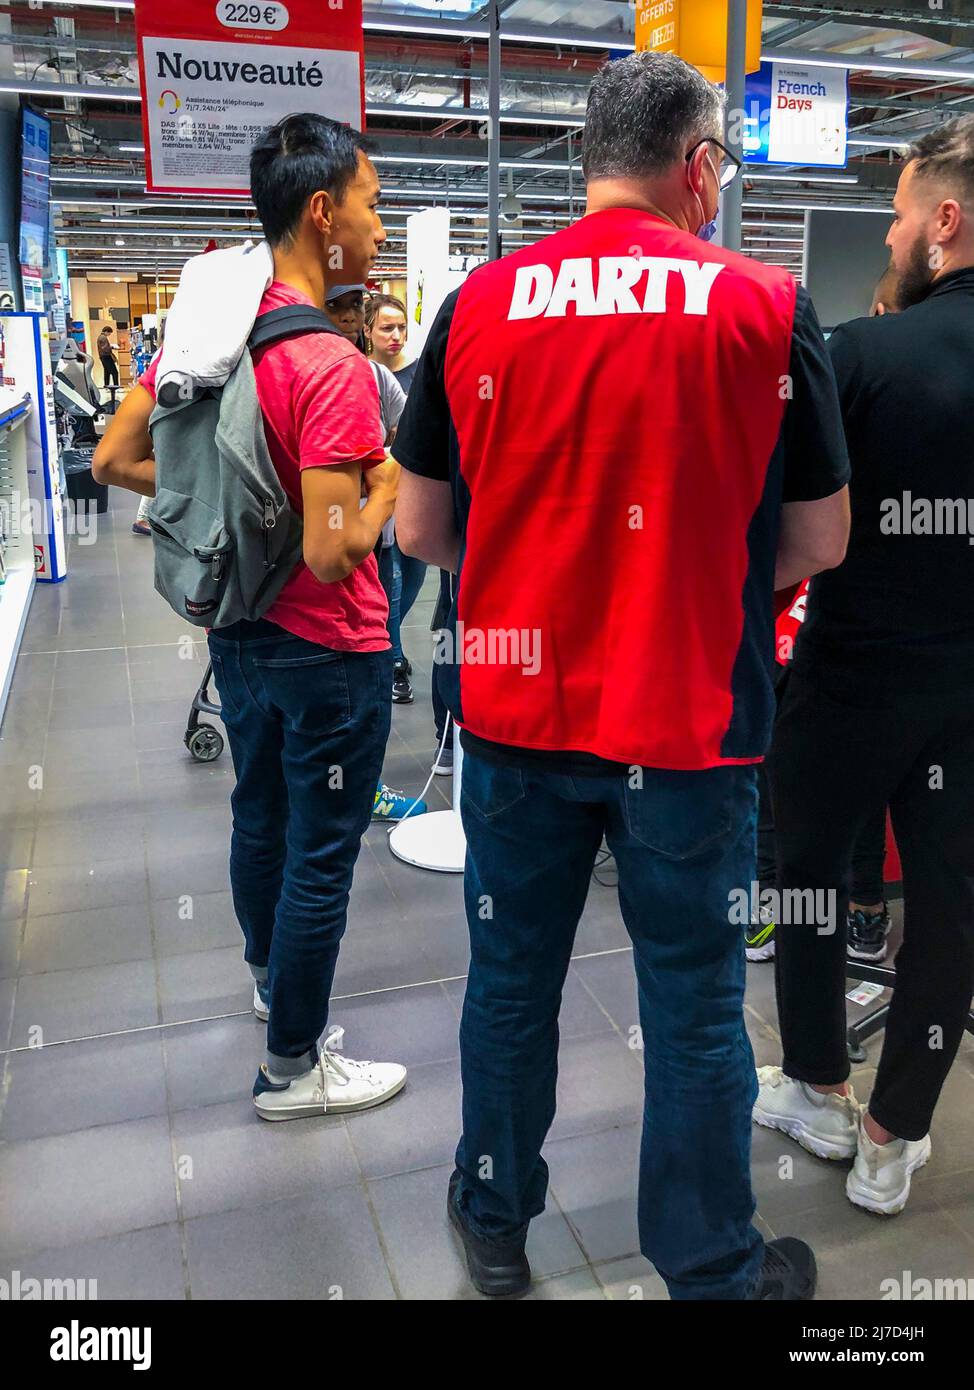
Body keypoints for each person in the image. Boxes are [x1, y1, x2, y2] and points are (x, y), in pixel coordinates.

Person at [393, 50, 850, 1300]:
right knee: (694, 999)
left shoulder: (477, 306)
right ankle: (708, 1263)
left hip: (514, 723)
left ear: (590, 161)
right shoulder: (764, 307)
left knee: (509, 980)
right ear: (697, 170)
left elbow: (421, 531)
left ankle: (491, 1219)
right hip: (689, 726)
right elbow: (818, 539)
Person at [94, 112, 407, 1123]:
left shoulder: (213, 336)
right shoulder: (328, 369)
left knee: (257, 816)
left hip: (238, 635)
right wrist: (394, 480)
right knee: (322, 853)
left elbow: (114, 460)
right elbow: (332, 548)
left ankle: (273, 982)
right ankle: (291, 1067)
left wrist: (224, 511)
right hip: (329, 650)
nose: (378, 225)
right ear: (321, 215)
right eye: (367, 203)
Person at [756, 116, 974, 1216]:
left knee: (802, 874)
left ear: (943, 222)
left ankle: (814, 1085)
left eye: (896, 211)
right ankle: (892, 1141)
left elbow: (794, 522)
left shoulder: (857, 355)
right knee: (949, 908)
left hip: (848, 676)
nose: (888, 232)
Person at [323, 281, 429, 822]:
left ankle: (358, 785)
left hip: (371, 542)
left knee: (373, 652)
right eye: (333, 308)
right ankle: (353, 787)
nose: (344, 320)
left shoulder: (373, 377)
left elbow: (409, 433)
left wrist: (384, 470)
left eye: (351, 310)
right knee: (354, 665)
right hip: (319, 553)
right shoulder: (297, 369)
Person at [366, 292, 416, 392]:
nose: (397, 337)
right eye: (387, 328)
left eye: (402, 328)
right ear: (367, 331)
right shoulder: (359, 371)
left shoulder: (420, 371)